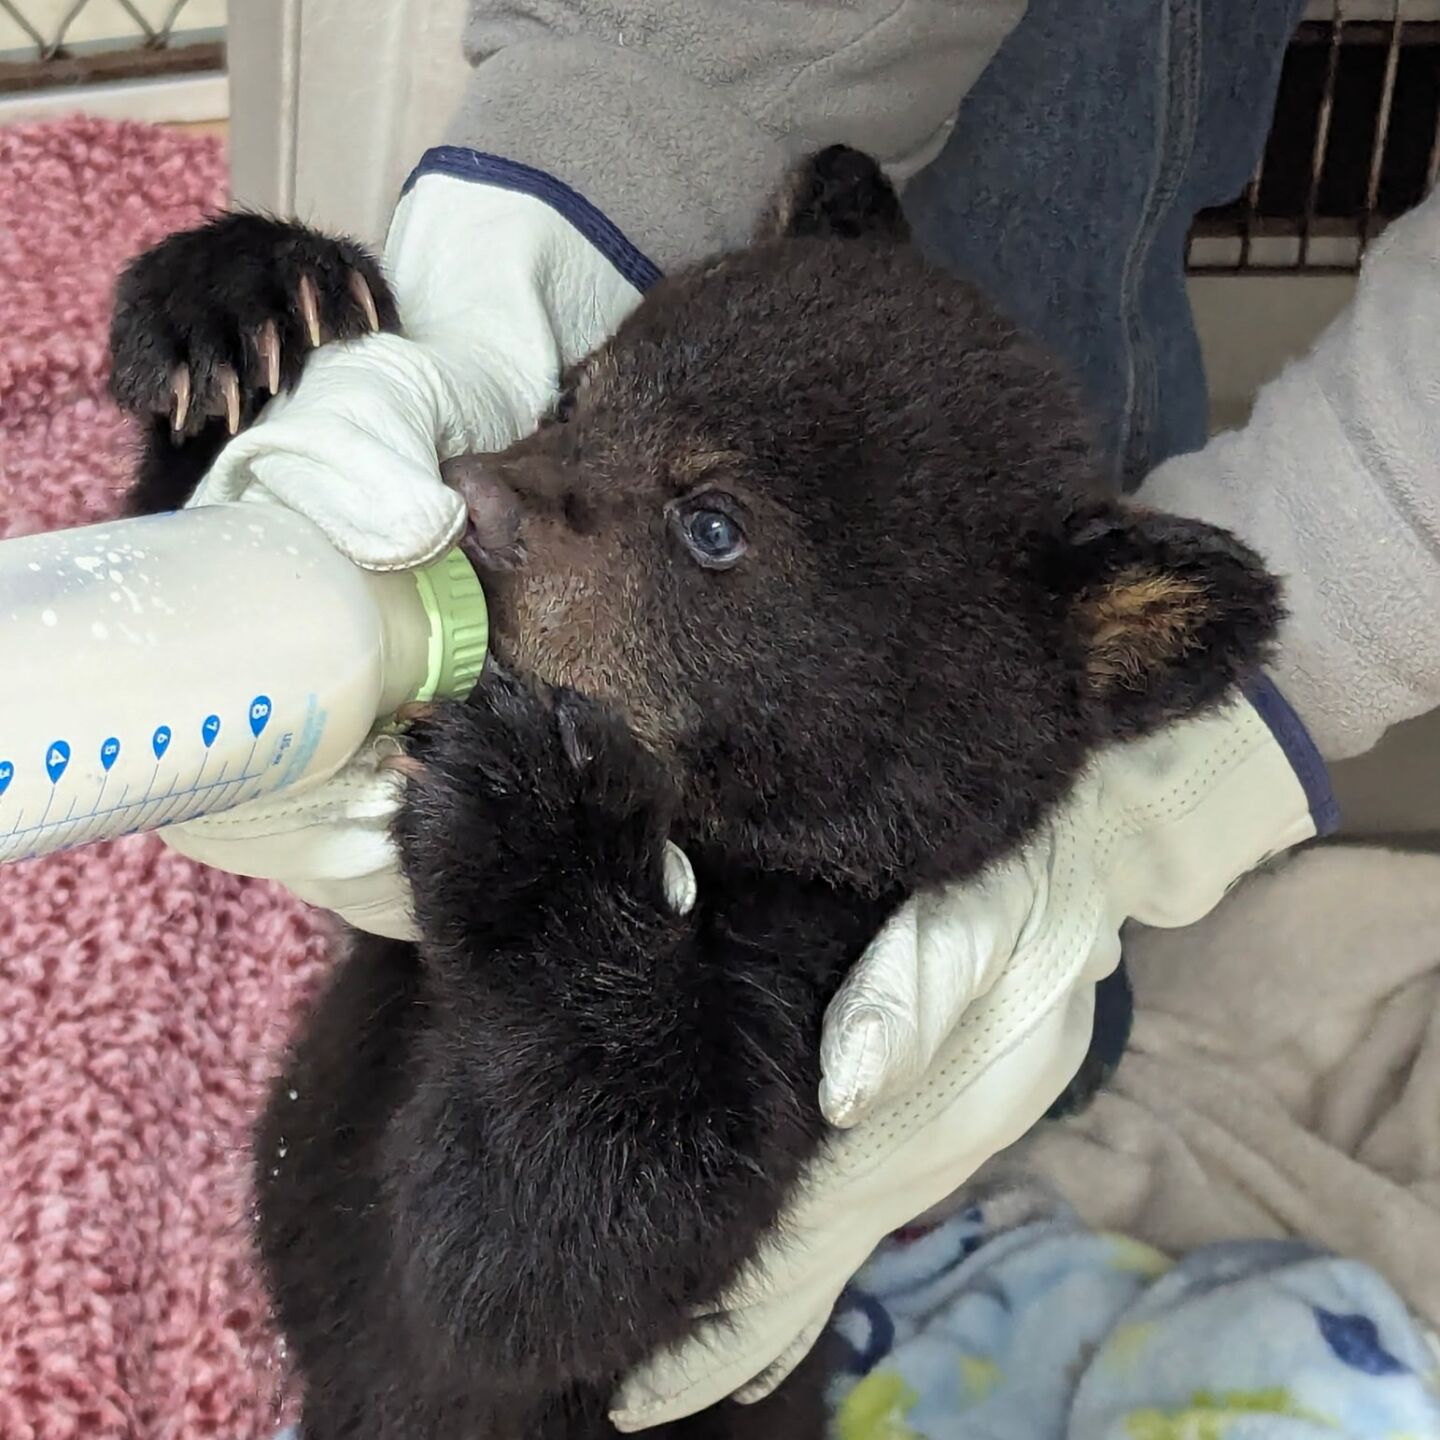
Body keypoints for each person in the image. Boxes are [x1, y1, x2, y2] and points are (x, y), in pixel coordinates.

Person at [156, 0, 1440, 1428]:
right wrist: (237, 393)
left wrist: (570, 918)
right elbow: (202, 632)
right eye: (586, 404)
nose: (501, 484)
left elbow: (508, 1300)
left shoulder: (844, 977)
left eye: (709, 531)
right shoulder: (612, 679)